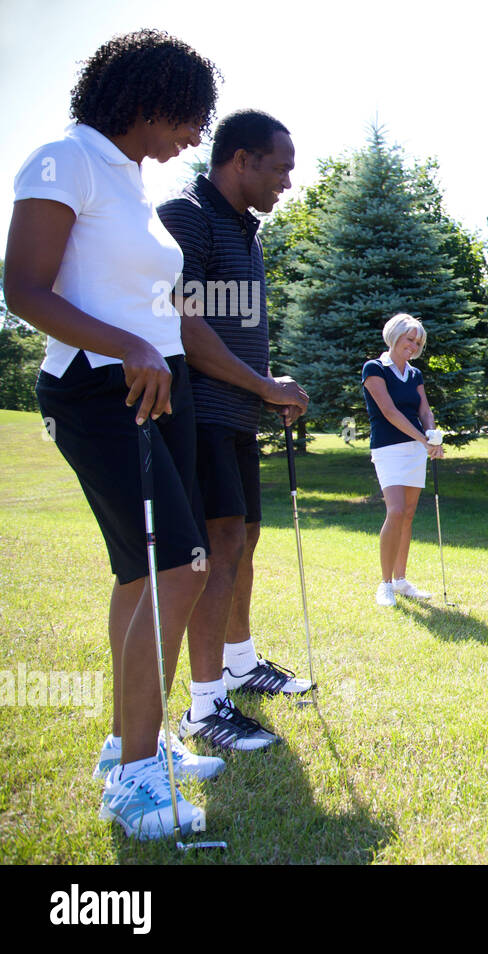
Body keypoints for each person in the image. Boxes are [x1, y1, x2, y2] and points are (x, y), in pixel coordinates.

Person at [4, 30, 222, 838]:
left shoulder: (127, 181)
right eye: (191, 116)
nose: (195, 136)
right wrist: (125, 345)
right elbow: (21, 286)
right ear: (149, 97)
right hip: (96, 390)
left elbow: (155, 305)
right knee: (183, 565)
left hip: (152, 390)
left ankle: (130, 743)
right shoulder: (64, 160)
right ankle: (134, 781)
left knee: (141, 578)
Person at [156, 109, 311, 753]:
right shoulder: (186, 214)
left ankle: (241, 664)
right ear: (241, 159)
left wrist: (269, 383)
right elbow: (184, 325)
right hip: (199, 414)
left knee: (244, 540)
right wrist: (264, 387)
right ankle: (204, 706)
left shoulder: (246, 229)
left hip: (239, 413)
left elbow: (235, 329)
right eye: (279, 168)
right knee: (216, 549)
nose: (286, 183)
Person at [361, 314, 444, 606]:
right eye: (410, 338)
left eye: (418, 342)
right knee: (395, 511)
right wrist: (423, 439)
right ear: (394, 336)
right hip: (388, 449)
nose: (414, 345)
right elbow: (389, 412)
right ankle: (384, 584)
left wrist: (431, 435)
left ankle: (400, 581)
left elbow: (424, 411)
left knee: (407, 515)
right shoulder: (374, 368)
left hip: (415, 450)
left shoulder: (415, 374)